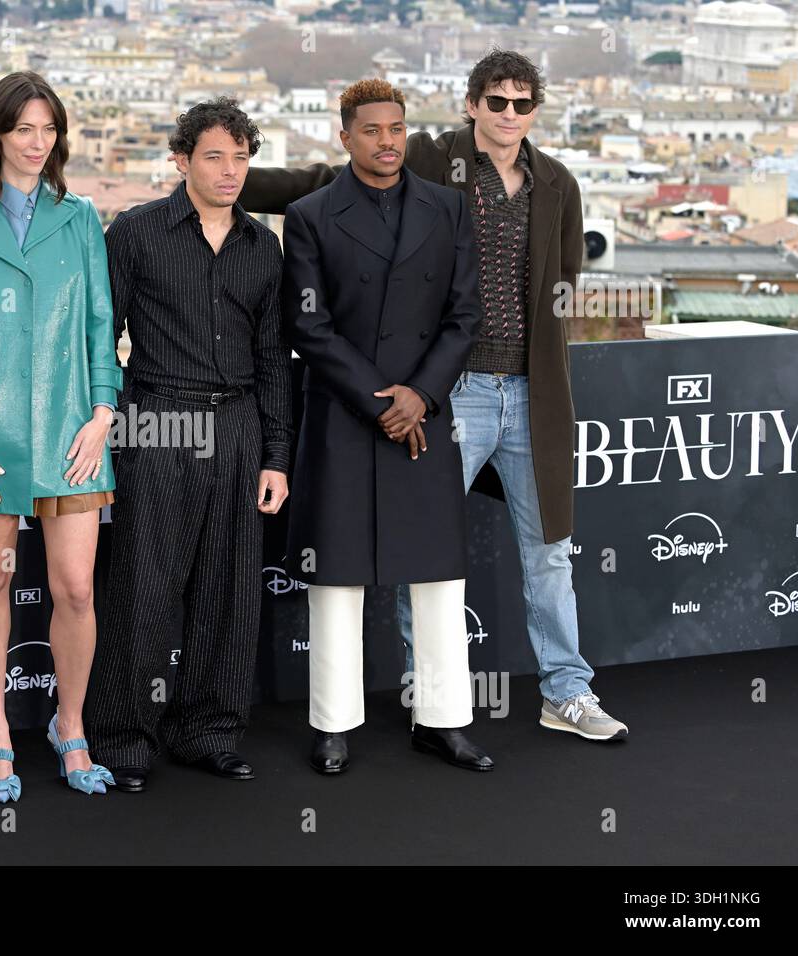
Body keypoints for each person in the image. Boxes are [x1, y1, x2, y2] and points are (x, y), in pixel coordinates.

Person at [241, 50, 628, 743]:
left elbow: (560, 290)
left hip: (532, 394)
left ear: (536, 110)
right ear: (473, 103)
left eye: (523, 103)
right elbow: (327, 182)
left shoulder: (559, 185)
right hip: (451, 390)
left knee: (549, 551)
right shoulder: (428, 157)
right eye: (498, 101)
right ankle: (433, 706)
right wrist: (231, 180)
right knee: (428, 551)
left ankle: (566, 692)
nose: (510, 115)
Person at [280, 78, 491, 773]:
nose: (388, 142)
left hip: (423, 419)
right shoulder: (310, 215)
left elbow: (465, 318)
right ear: (345, 137)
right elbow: (309, 326)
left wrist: (421, 396)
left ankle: (442, 720)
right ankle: (333, 725)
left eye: (397, 128)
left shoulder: (449, 209)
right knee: (335, 579)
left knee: (437, 579)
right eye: (372, 130)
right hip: (347, 417)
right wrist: (384, 403)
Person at [84, 98, 292, 792]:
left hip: (236, 423)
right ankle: (123, 738)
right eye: (214, 156)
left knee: (229, 591)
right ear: (181, 160)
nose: (230, 170)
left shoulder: (264, 248)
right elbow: (98, 338)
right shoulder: (137, 233)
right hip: (158, 418)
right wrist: (114, 416)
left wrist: (275, 457)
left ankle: (208, 733)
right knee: (144, 587)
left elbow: (272, 358)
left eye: (240, 157)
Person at [0, 71, 124, 801]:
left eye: (49, 130)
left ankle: (69, 725)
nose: (38, 143)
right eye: (24, 129)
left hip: (75, 432)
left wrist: (103, 414)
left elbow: (103, 326)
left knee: (75, 588)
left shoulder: (80, 219)